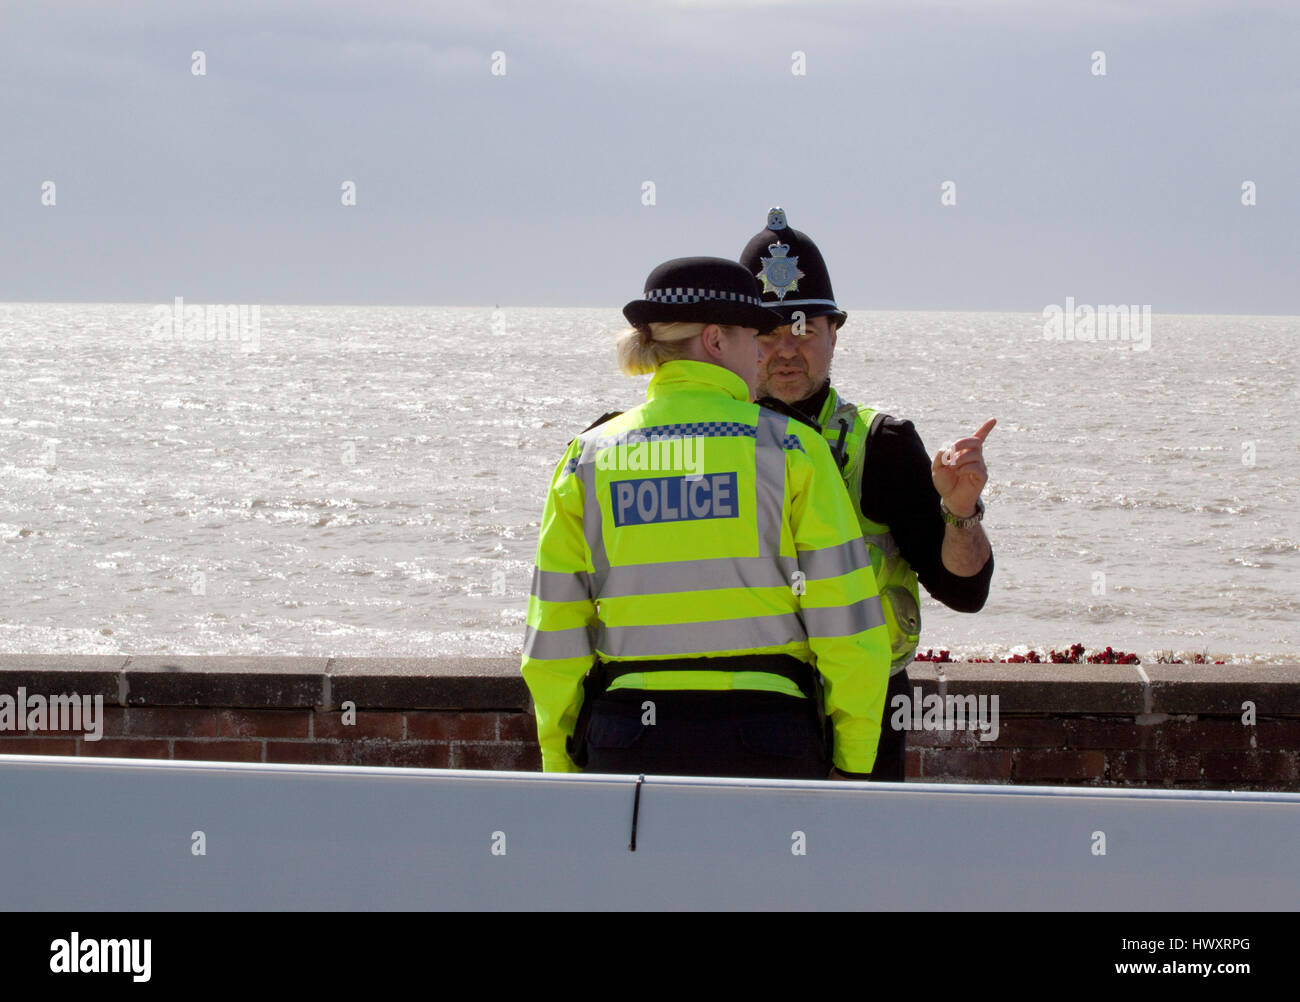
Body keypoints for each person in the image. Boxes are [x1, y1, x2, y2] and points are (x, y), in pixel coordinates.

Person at [520, 256, 893, 779]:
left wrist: (560, 762)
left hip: (626, 739)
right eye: (754, 338)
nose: (763, 355)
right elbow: (847, 623)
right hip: (768, 736)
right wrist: (853, 760)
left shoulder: (589, 457)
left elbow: (554, 634)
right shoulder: (791, 449)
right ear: (717, 340)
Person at [738, 208, 995, 781]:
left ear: (834, 332)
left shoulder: (883, 445)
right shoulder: (709, 444)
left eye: (803, 329)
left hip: (867, 712)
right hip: (742, 709)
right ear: (732, 339)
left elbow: (963, 590)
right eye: (767, 332)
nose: (786, 349)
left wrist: (959, 511)